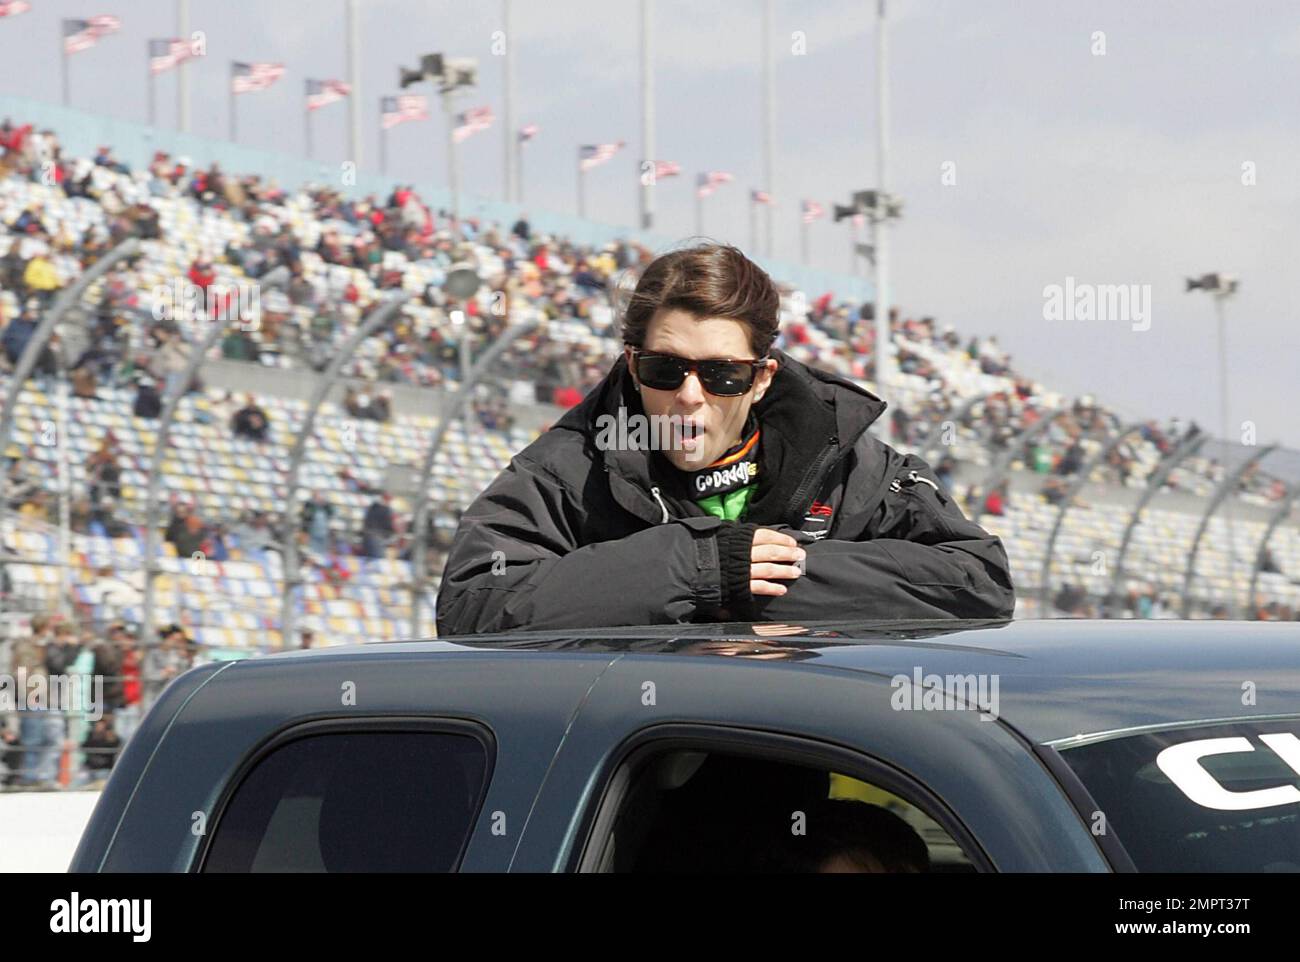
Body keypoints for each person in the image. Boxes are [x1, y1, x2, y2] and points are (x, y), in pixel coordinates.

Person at [436, 243, 1014, 635]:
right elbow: (472, 602)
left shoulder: (843, 462)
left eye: (721, 375)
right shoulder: (567, 467)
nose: (690, 395)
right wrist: (694, 569)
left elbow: (978, 581)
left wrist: (755, 584)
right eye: (666, 369)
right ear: (632, 365)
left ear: (761, 379)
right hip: (631, 785)